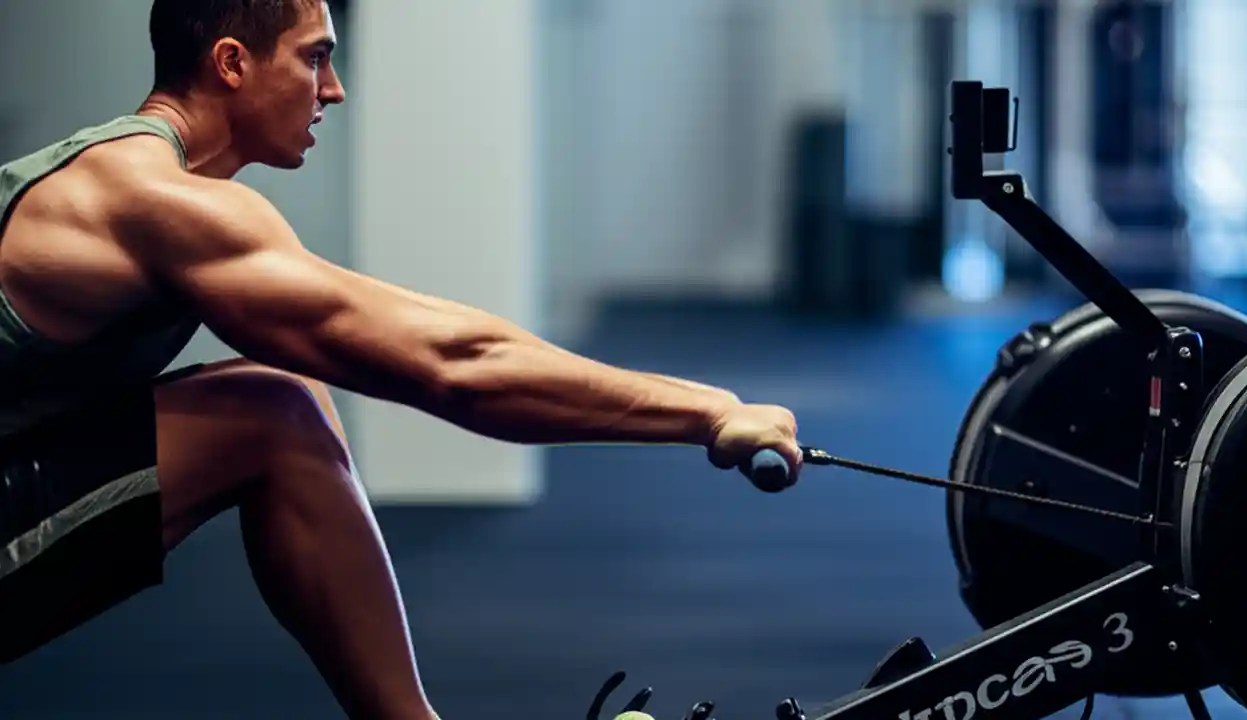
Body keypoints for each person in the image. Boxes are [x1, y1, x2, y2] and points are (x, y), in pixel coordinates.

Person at [0, 0, 802, 718]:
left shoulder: (136, 175)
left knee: (277, 401)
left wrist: (704, 399)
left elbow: (446, 332)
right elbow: (454, 369)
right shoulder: (151, 202)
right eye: (315, 55)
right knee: (274, 416)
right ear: (233, 63)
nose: (335, 87)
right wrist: (705, 413)